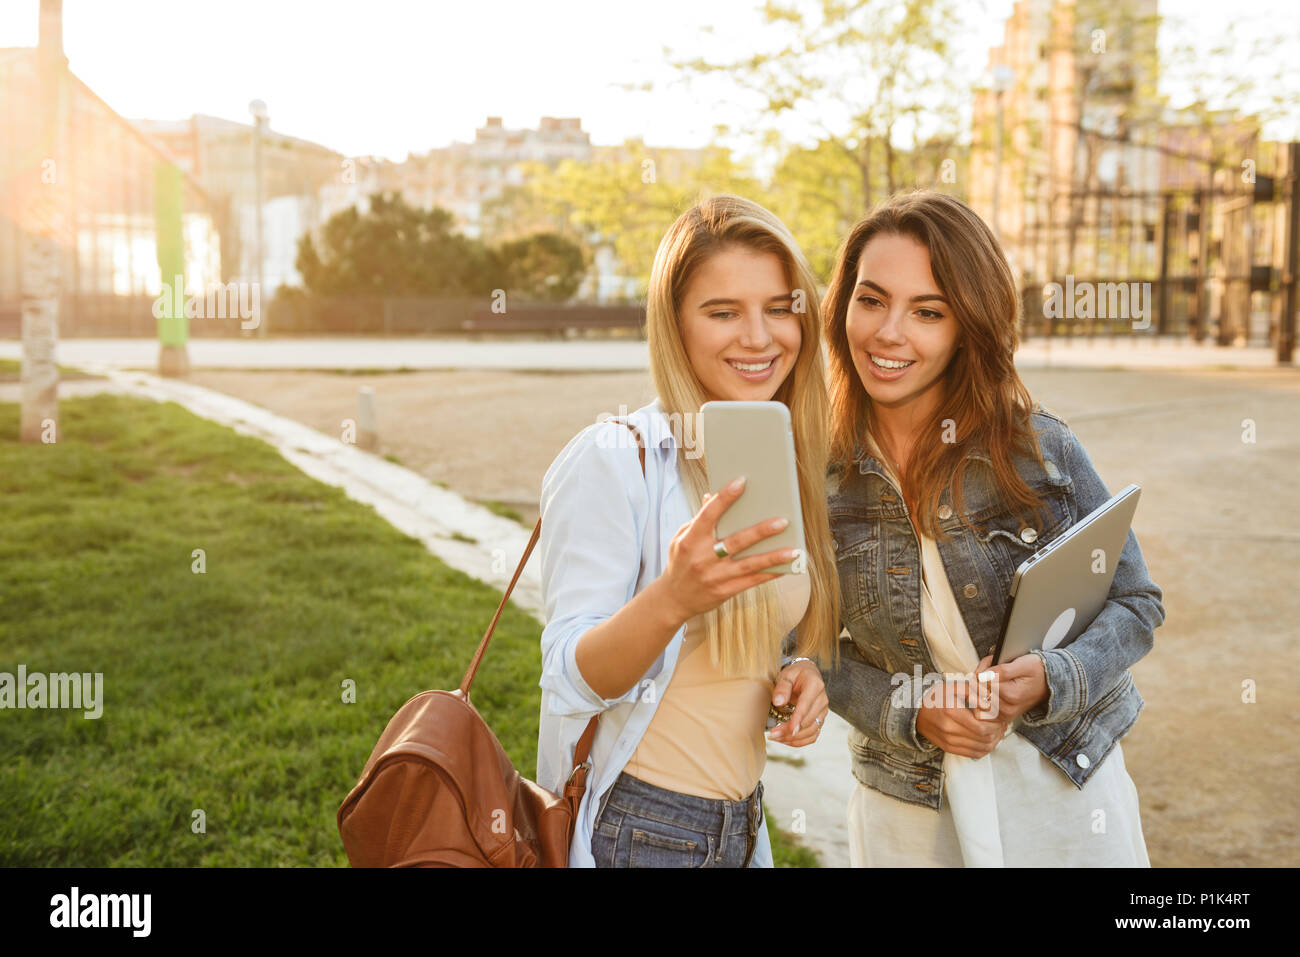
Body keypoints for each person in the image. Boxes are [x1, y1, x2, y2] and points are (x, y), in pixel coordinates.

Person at [819, 189, 1165, 866]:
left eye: (928, 311)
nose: (890, 333)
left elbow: (1136, 602)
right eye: (871, 299)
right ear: (842, 306)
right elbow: (802, 652)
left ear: (966, 326)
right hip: (908, 809)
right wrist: (913, 710)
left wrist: (1051, 675)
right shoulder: (818, 477)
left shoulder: (1040, 450)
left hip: (1062, 789)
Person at [536, 194, 840, 867]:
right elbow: (566, 677)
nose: (759, 337)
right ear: (676, 326)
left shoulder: (780, 455)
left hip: (739, 823)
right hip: (643, 829)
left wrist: (797, 671)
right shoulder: (615, 457)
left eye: (778, 308)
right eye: (723, 311)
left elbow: (741, 646)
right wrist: (672, 596)